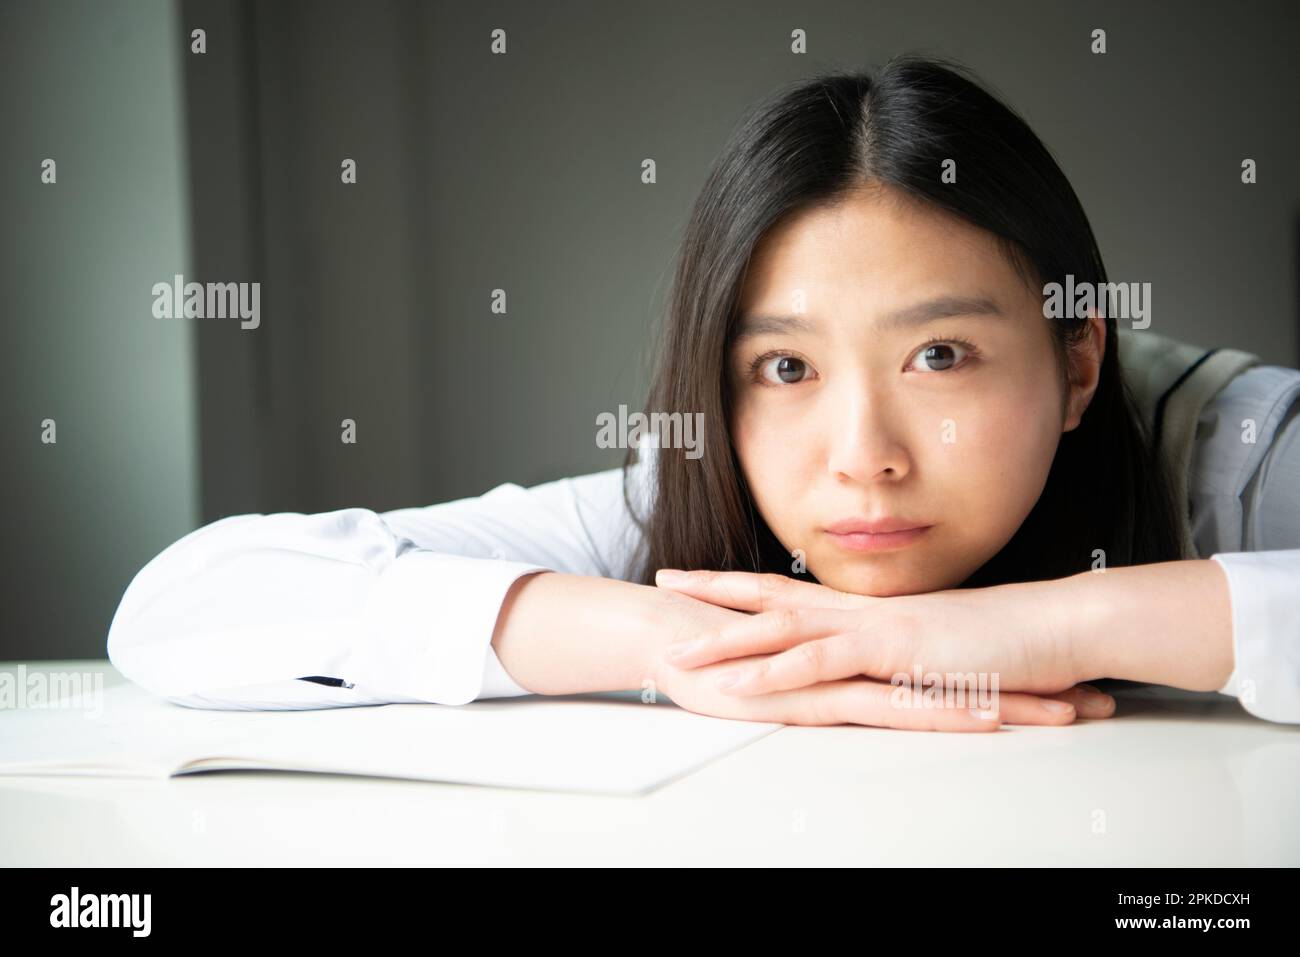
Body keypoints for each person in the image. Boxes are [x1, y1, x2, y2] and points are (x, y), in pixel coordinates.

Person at [106, 56, 1300, 729]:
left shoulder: (1237, 458)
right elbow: (181, 607)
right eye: (785, 369)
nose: (860, 456)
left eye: (937, 355)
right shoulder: (680, 517)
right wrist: (685, 643)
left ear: (1078, 360)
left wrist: (1026, 628)